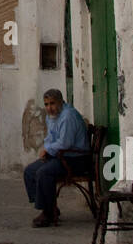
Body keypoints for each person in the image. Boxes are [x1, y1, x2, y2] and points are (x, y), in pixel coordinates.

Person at [23, 89, 90, 227]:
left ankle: (48, 213)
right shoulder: (52, 116)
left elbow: (66, 143)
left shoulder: (68, 116)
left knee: (44, 172)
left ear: (60, 102)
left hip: (75, 159)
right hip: (60, 156)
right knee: (30, 171)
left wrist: (49, 150)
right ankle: (49, 206)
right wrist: (47, 150)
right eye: (46, 104)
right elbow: (50, 138)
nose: (49, 108)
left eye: (52, 104)